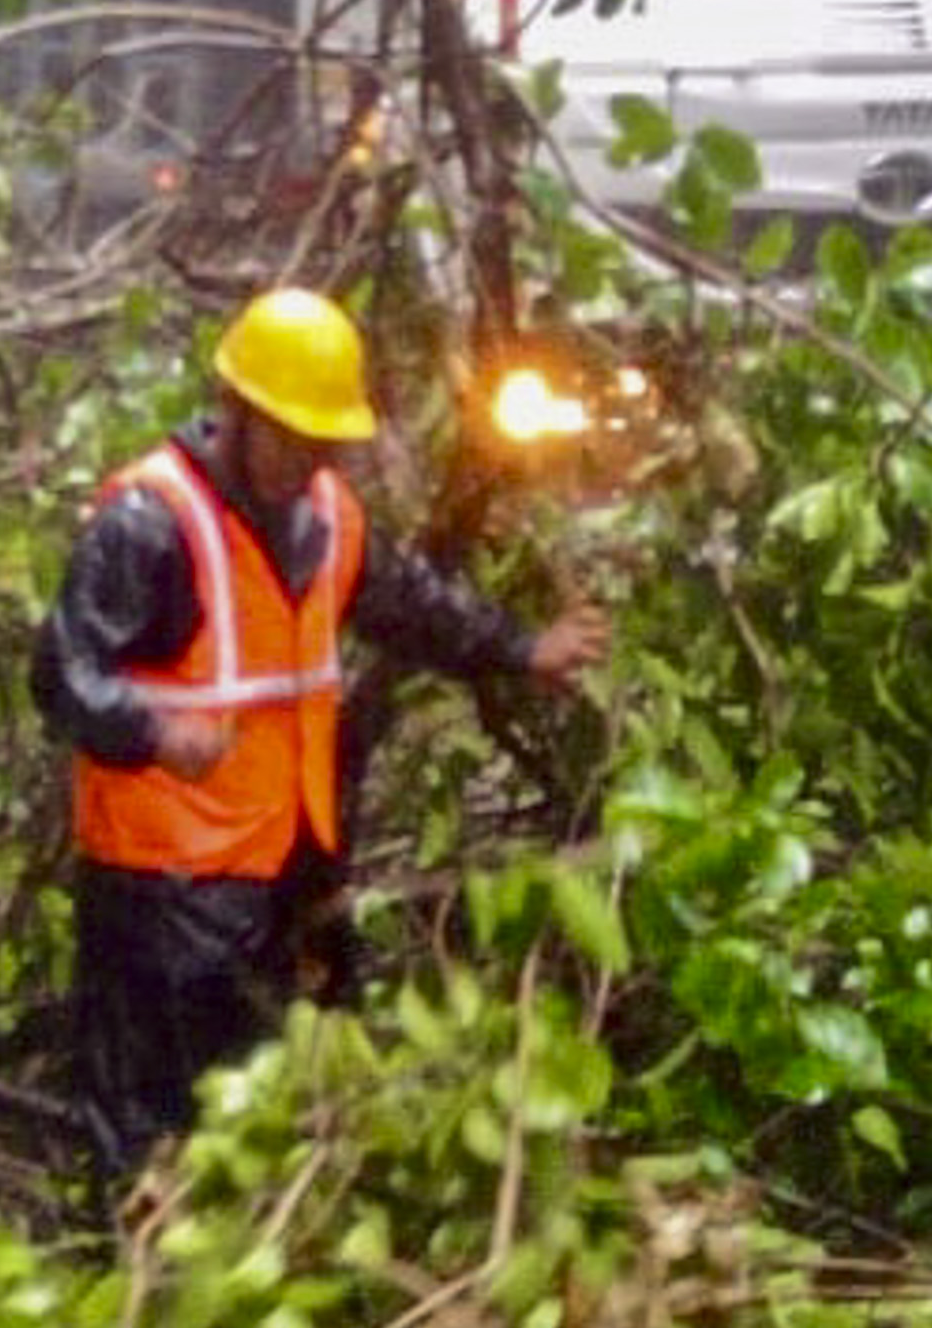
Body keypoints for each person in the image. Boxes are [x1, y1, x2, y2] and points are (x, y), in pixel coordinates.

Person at [32, 285, 609, 1176]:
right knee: (156, 1132)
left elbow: (413, 606)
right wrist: (152, 730)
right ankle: (143, 1291)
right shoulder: (150, 522)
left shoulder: (330, 518)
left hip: (286, 867)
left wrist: (525, 648)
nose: (310, 459)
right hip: (163, 889)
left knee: (285, 1108)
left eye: (324, 441)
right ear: (240, 413)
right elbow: (61, 674)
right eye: (296, 437)